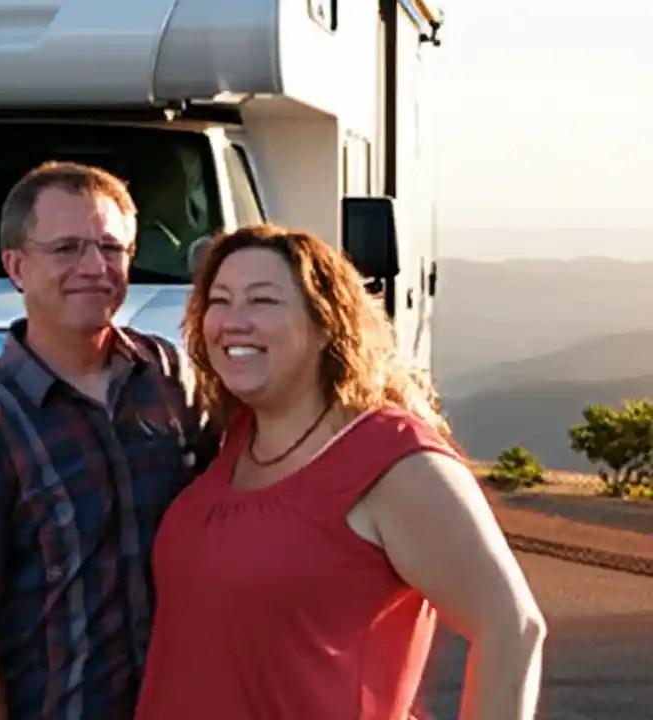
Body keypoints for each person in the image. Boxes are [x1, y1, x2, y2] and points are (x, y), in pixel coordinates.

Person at [134, 224, 547, 720]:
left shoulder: (392, 458)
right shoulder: (233, 437)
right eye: (220, 301)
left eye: (263, 301)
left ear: (326, 325)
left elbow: (512, 626)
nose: (233, 321)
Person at [0, 160, 206, 720]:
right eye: (67, 248)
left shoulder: (167, 375)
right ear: (17, 266)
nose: (95, 267)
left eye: (111, 248)